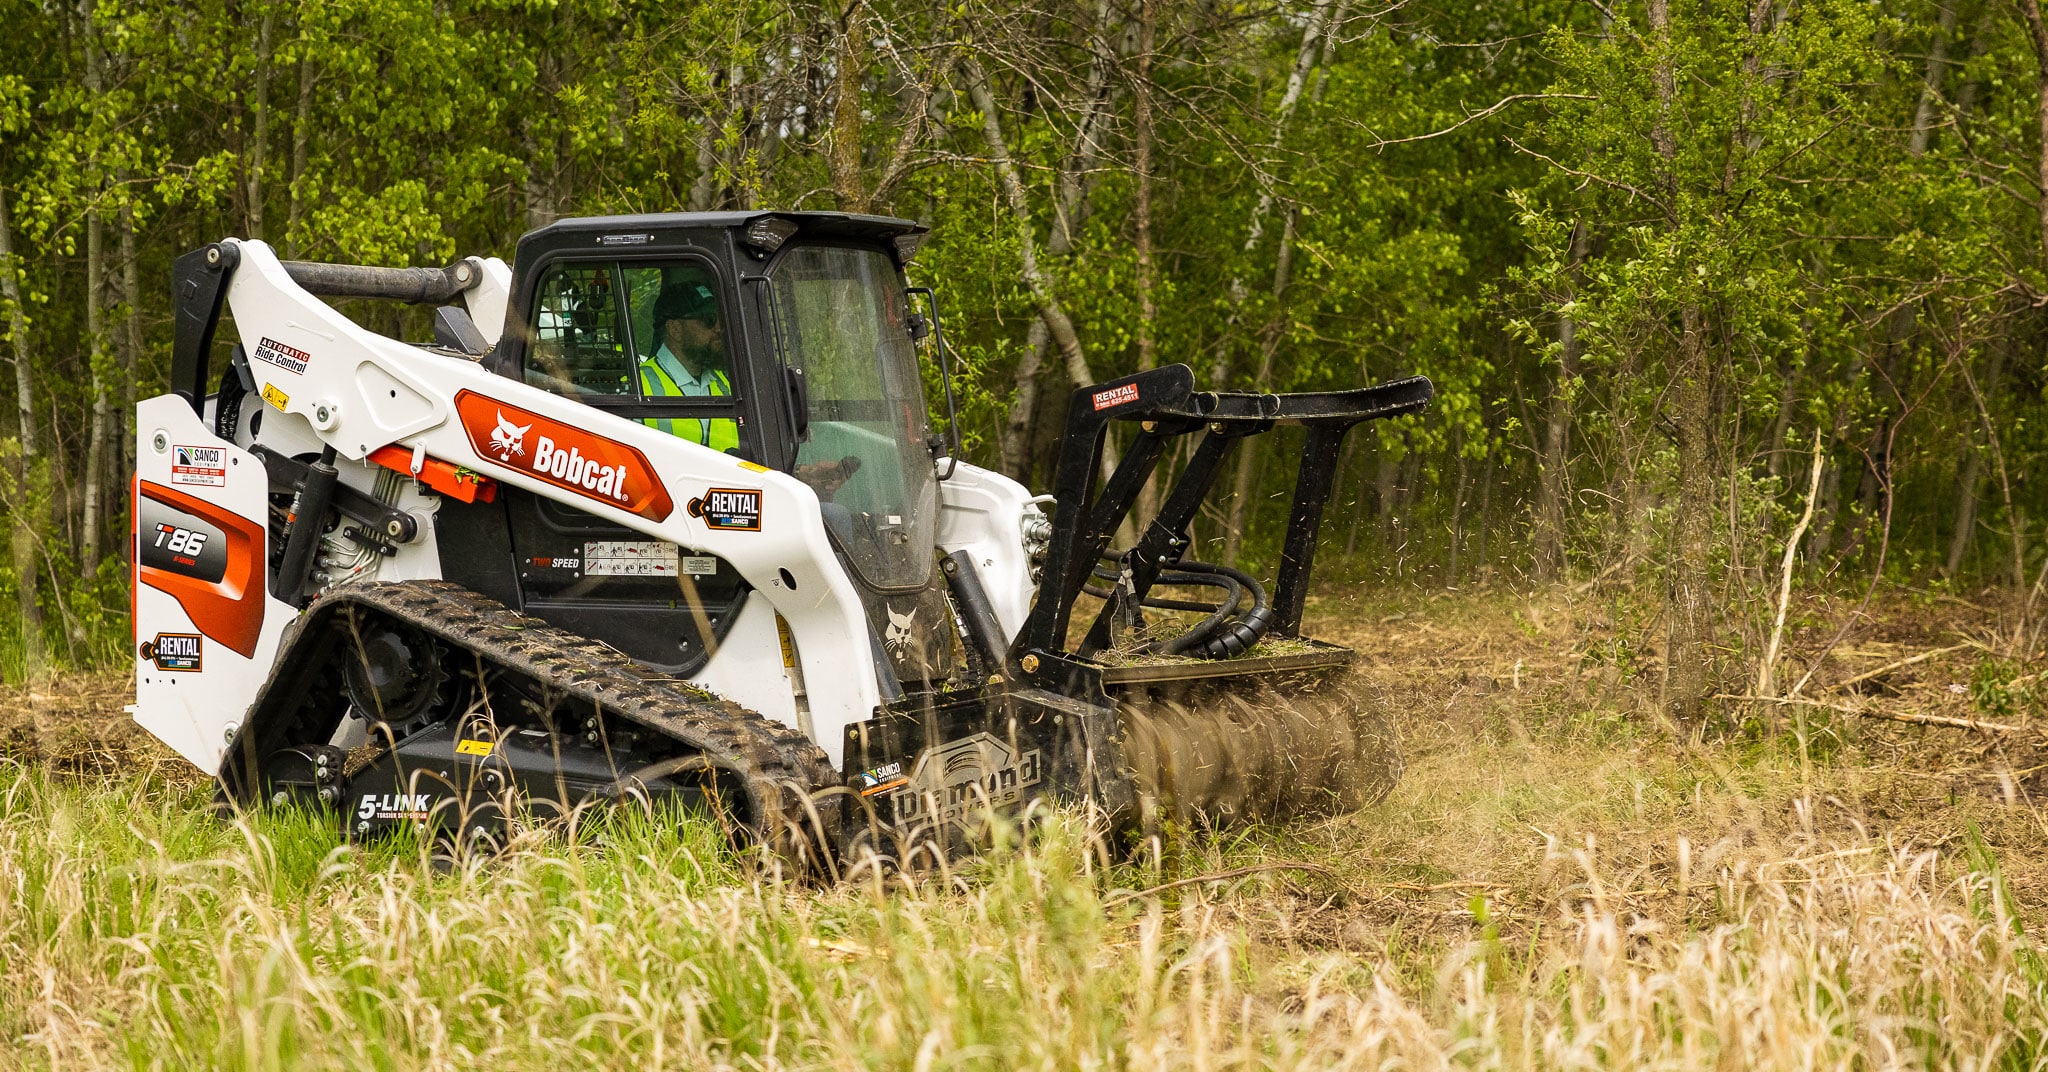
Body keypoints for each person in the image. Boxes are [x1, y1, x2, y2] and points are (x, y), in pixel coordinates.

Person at [639, 279, 739, 451]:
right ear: (675, 329)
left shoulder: (726, 384)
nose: (718, 328)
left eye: (719, 319)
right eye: (708, 319)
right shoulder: (638, 386)